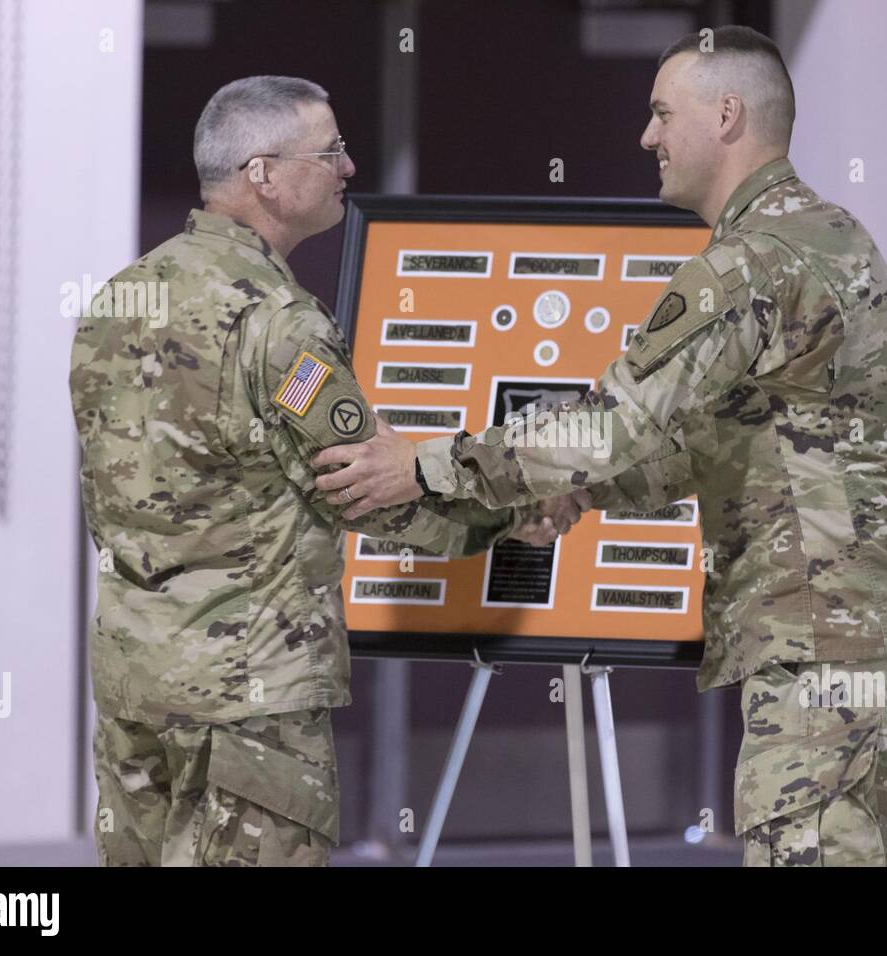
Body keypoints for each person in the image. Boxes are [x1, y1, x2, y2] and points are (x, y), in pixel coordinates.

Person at [311, 28, 887, 867]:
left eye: (663, 113)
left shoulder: (744, 266)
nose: (646, 137)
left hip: (825, 650)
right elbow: (732, 442)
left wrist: (425, 465)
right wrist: (574, 498)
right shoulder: (833, 236)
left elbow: (611, 425)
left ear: (726, 115)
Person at [69, 76, 583, 866]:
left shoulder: (118, 298)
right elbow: (371, 493)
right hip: (250, 697)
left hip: (136, 684)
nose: (348, 168)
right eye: (331, 150)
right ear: (262, 174)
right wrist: (516, 513)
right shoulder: (279, 323)